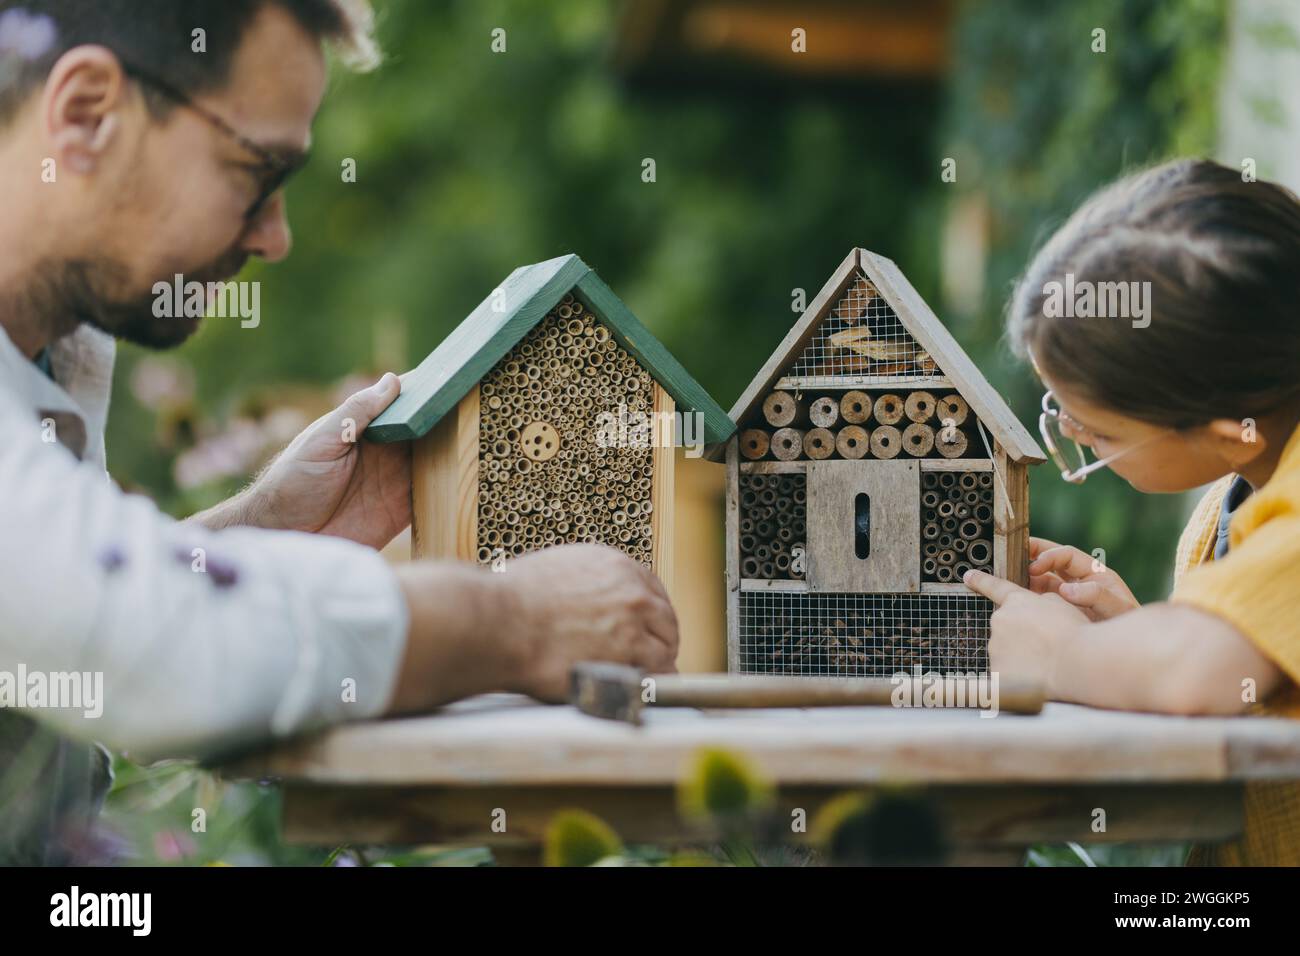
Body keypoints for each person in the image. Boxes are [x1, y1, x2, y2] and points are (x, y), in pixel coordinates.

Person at [0, 0, 677, 865]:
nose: (275, 235)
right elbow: (139, 647)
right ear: (88, 111)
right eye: (255, 171)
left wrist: (268, 527)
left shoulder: (56, 353)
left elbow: (58, 617)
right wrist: (520, 618)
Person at [962, 157, 1300, 865]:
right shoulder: (1234, 498)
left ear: (1218, 432)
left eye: (1099, 432)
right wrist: (1137, 634)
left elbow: (1195, 676)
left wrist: (1062, 657)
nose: (1077, 439)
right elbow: (1254, 678)